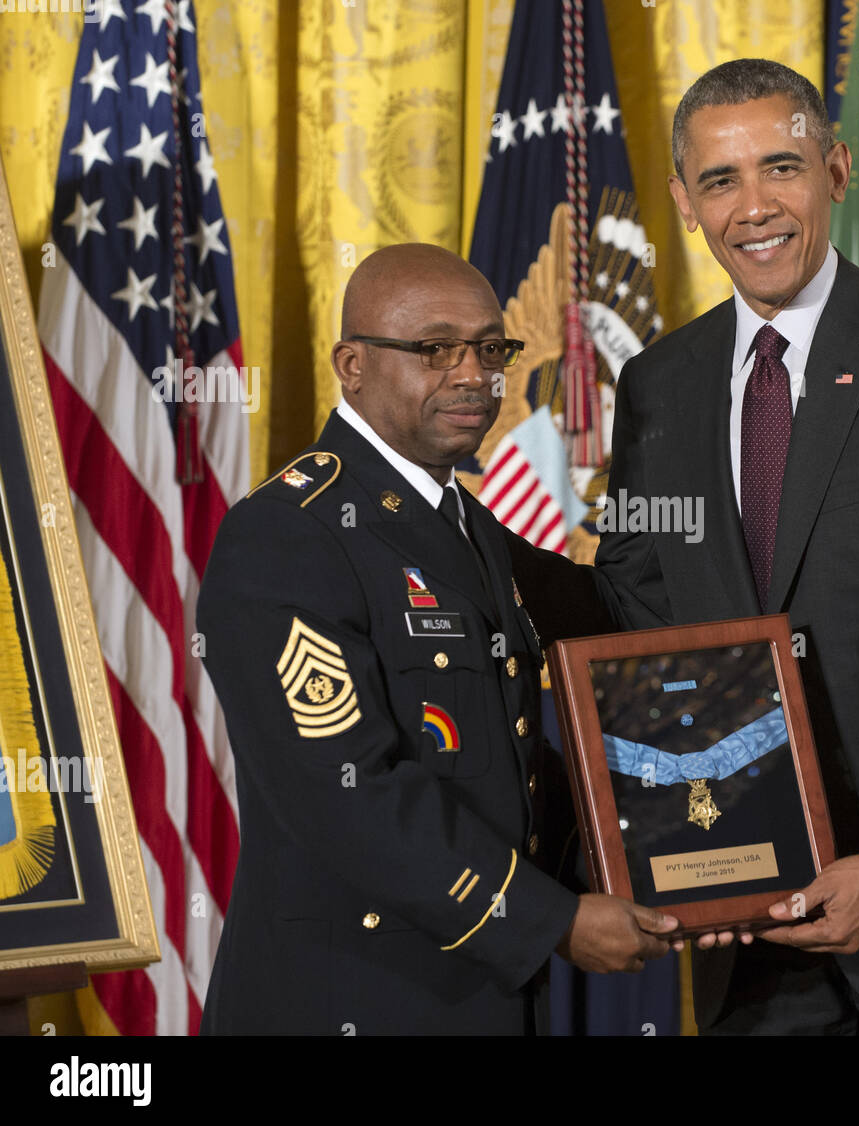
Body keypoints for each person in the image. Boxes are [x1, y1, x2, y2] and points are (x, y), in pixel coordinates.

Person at [507, 59, 859, 1035]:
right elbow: (636, 614)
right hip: (749, 924)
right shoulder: (660, 384)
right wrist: (446, 522)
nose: (755, 205)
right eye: (721, 179)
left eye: (782, 166)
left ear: (836, 171)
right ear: (686, 201)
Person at [197, 244, 676, 1036]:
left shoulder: (464, 526)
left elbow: (617, 622)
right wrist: (550, 921)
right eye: (433, 349)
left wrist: (684, 854)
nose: (473, 375)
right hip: (352, 999)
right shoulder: (285, 537)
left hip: (485, 995)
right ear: (351, 365)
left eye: (491, 349)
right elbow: (353, 796)